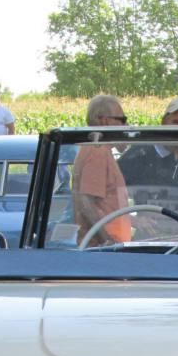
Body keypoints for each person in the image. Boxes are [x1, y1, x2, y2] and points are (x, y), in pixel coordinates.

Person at [117, 98, 178, 227]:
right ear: (164, 122)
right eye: (177, 123)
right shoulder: (140, 153)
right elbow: (110, 188)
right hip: (148, 240)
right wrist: (133, 220)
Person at [72, 94, 130, 246]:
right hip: (101, 251)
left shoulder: (99, 149)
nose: (126, 125)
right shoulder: (97, 150)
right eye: (122, 120)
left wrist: (136, 221)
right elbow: (86, 203)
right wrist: (108, 241)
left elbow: (105, 208)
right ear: (105, 121)